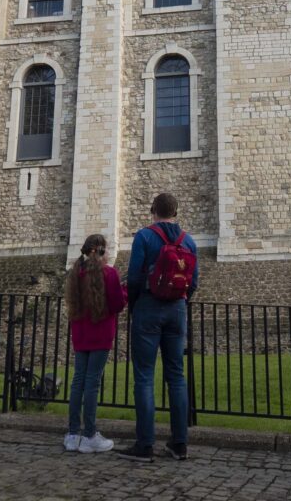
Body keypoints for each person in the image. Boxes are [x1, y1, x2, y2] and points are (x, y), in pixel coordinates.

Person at [118, 193, 199, 463]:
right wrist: (181, 301)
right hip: (177, 309)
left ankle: (144, 445)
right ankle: (179, 444)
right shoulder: (188, 240)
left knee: (144, 376)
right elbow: (194, 281)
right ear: (176, 212)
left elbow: (135, 276)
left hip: (148, 308)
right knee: (176, 376)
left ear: (153, 211)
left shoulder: (144, 236)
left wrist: (136, 305)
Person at [63, 234, 126, 454]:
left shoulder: (75, 274)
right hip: (100, 334)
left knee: (78, 381)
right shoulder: (109, 273)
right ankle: (89, 435)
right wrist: (124, 290)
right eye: (106, 249)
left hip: (80, 334)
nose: (108, 253)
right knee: (92, 383)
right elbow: (117, 304)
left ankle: (72, 434)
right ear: (99, 251)